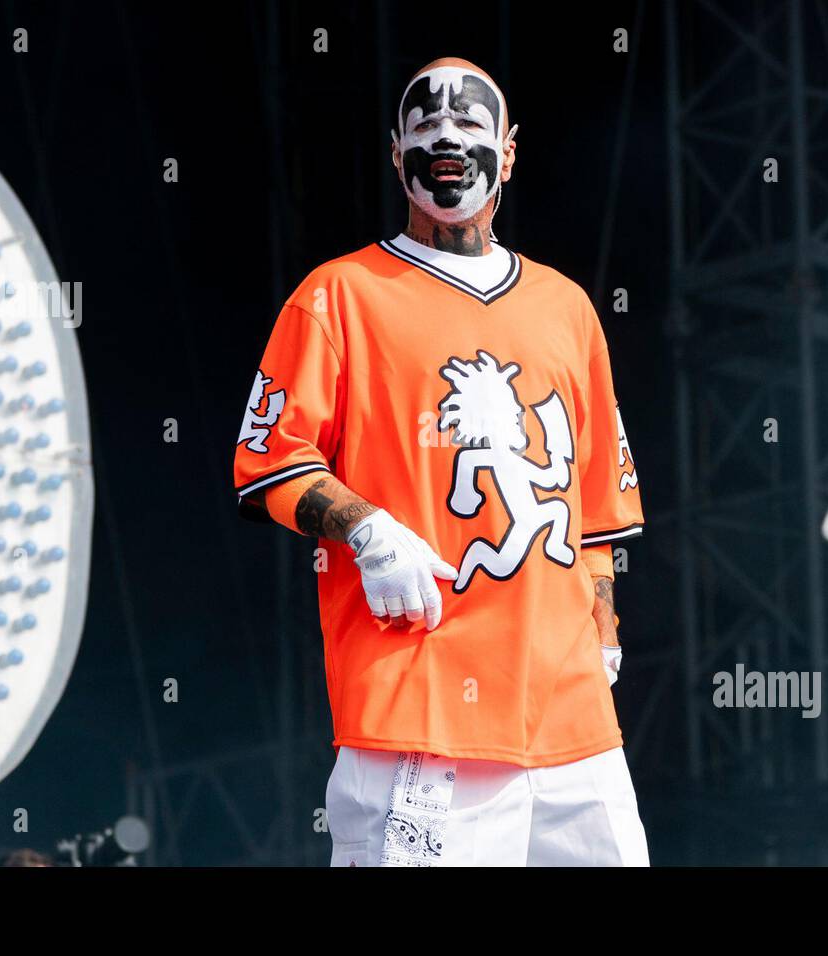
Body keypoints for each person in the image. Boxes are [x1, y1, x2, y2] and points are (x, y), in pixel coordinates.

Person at [233, 57, 647, 866]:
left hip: (574, 725)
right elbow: (266, 459)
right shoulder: (337, 296)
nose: (448, 140)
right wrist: (367, 529)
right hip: (421, 708)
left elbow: (597, 506)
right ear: (396, 153)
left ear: (510, 150)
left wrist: (603, 627)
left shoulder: (568, 307)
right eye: (426, 127)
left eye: (469, 126)